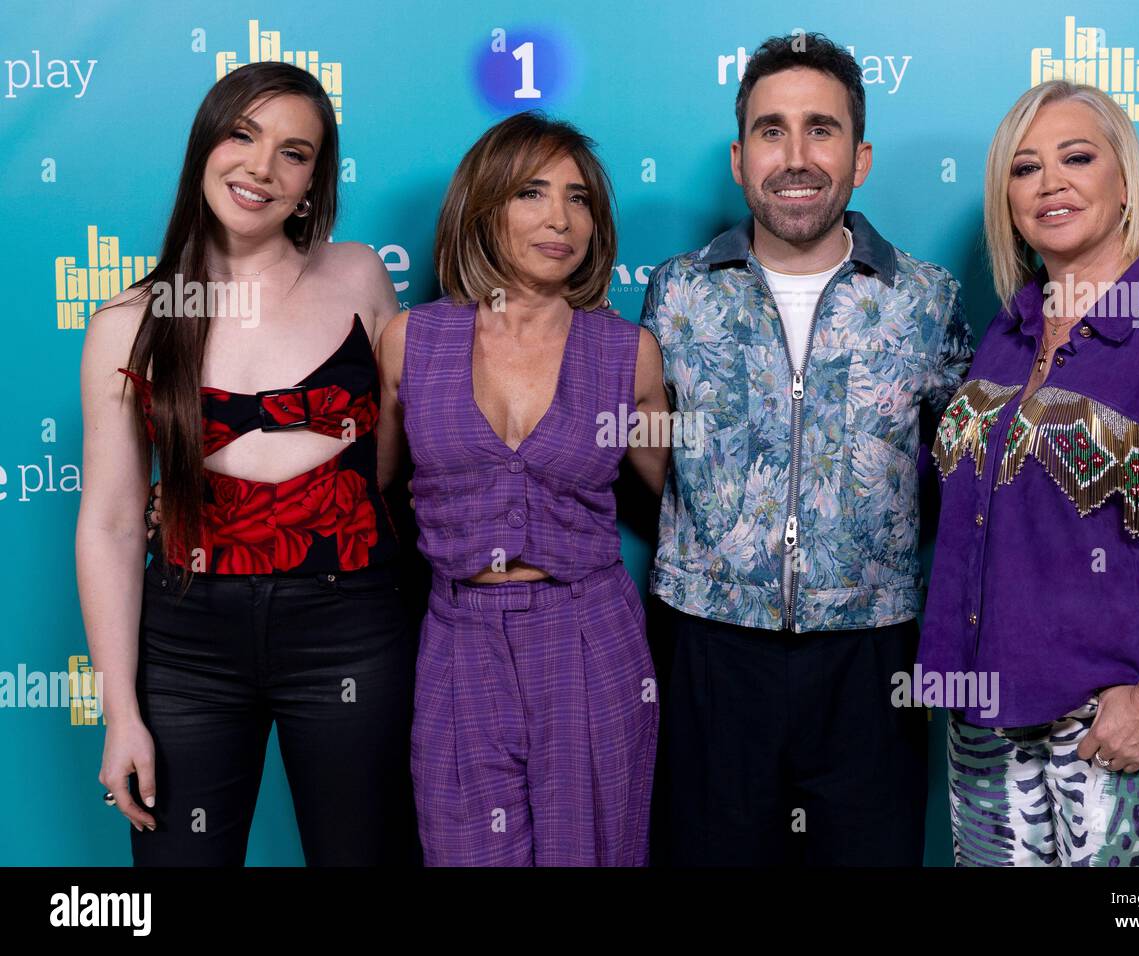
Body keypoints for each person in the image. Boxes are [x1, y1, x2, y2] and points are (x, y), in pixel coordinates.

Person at [917, 79, 1139, 866]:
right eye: (1024, 168)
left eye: (1076, 157)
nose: (1050, 182)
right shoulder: (1004, 339)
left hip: (1119, 732)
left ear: (1125, 183)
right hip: (983, 727)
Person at [638, 33, 972, 866]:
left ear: (860, 158)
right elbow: (646, 443)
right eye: (771, 130)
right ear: (739, 156)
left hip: (871, 657)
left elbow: (962, 470)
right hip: (709, 646)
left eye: (820, 130)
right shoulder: (677, 292)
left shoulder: (925, 299)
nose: (796, 156)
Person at [76, 61, 419, 865]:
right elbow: (115, 523)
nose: (262, 167)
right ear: (206, 145)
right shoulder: (129, 323)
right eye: (243, 134)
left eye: (294, 153)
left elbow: (394, 464)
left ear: (313, 182)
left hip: (350, 630)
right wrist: (121, 712)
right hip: (188, 644)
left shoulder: (360, 275)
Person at [375, 110, 671, 866]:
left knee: (594, 849)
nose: (560, 218)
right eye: (532, 193)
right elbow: (371, 490)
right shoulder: (411, 340)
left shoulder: (627, 354)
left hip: (587, 635)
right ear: (484, 207)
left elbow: (685, 500)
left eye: (579, 199)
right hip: (457, 636)